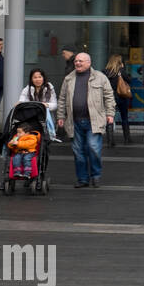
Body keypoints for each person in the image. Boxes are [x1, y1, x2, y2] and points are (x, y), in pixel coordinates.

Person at [56, 52, 116, 188]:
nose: (77, 63)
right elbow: (62, 99)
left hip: (93, 121)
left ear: (89, 63)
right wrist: (60, 116)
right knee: (78, 151)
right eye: (76, 61)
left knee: (93, 148)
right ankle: (82, 179)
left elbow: (109, 96)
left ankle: (95, 176)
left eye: (81, 61)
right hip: (74, 121)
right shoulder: (68, 79)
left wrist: (110, 114)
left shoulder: (100, 77)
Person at [18, 68, 59, 141]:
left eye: (40, 77)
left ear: (43, 78)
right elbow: (22, 100)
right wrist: (20, 103)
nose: (37, 79)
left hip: (45, 119)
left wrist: (46, 105)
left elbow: (55, 105)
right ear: (31, 79)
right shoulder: (28, 89)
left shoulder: (49, 88)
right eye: (35, 77)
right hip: (31, 119)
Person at [104, 53, 133, 145]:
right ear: (120, 62)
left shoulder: (105, 72)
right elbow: (129, 80)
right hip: (121, 97)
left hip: (109, 98)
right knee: (124, 117)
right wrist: (123, 69)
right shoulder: (121, 71)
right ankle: (127, 138)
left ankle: (110, 140)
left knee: (110, 117)